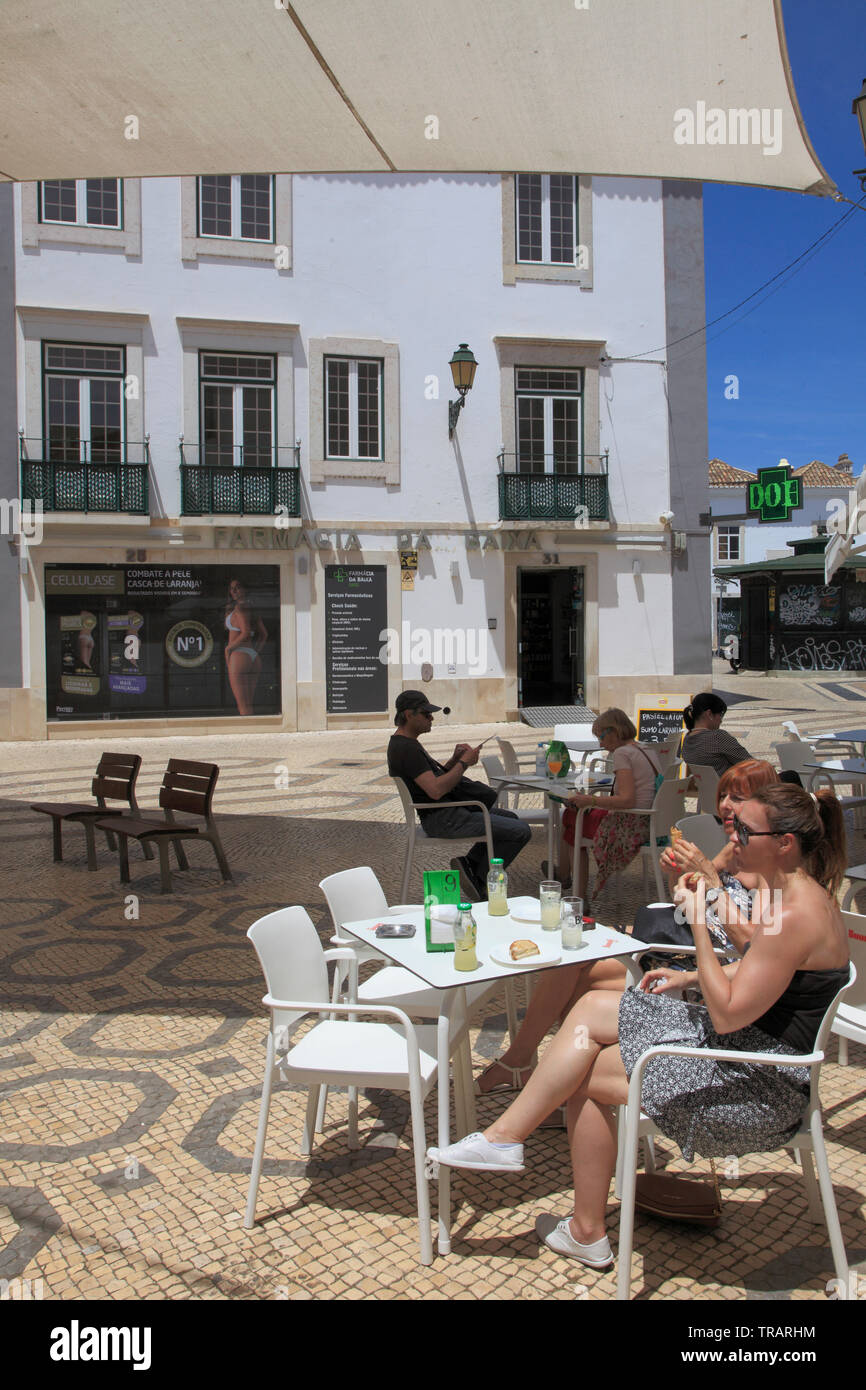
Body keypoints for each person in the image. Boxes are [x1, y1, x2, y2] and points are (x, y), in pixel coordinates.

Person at [430, 783, 849, 1270]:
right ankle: (507, 1139)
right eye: (734, 829)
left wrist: (698, 921)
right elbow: (765, 969)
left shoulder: (794, 913)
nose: (733, 841)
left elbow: (727, 1013)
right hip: (744, 1050)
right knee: (590, 1011)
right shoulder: (795, 894)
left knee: (584, 1076)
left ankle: (575, 1218)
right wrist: (689, 974)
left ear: (784, 843)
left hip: (758, 1086)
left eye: (744, 832)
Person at [475, 758, 779, 1098]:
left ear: (764, 804)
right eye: (724, 795)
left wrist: (709, 882)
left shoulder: (770, 866)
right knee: (568, 963)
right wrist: (677, 875)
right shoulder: (735, 848)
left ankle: (539, 1075)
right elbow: (689, 895)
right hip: (679, 940)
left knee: (574, 978)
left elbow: (753, 947)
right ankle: (547, 1078)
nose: (724, 805)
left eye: (737, 798)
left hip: (701, 964)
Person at [386, 690, 531, 902]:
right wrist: (464, 764)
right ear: (409, 715)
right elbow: (435, 790)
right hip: (444, 819)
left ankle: (470, 865)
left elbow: (428, 782)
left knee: (511, 819)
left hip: (444, 813)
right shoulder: (406, 748)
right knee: (521, 831)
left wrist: (454, 760)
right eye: (426, 714)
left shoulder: (405, 744)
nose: (432, 718)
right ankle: (480, 879)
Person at [546, 708, 663, 901]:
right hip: (650, 821)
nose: (600, 743)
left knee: (572, 817)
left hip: (631, 824)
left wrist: (590, 800)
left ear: (614, 732)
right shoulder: (646, 749)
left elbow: (627, 800)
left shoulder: (622, 754)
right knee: (574, 817)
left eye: (601, 737)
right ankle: (566, 877)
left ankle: (575, 890)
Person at [681, 692, 752, 775]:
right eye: (721, 714)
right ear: (709, 714)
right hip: (725, 786)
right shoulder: (717, 737)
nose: (721, 720)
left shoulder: (687, 740)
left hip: (705, 787)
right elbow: (750, 763)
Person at [225, 577, 267, 716]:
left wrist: (229, 647)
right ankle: (253, 731)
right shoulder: (251, 607)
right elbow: (264, 635)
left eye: (237, 587)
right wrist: (255, 652)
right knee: (249, 703)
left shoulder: (239, 607)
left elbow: (245, 632)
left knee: (242, 705)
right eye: (232, 588)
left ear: (245, 589)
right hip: (252, 656)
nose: (234, 591)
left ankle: (247, 732)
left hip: (239, 655)